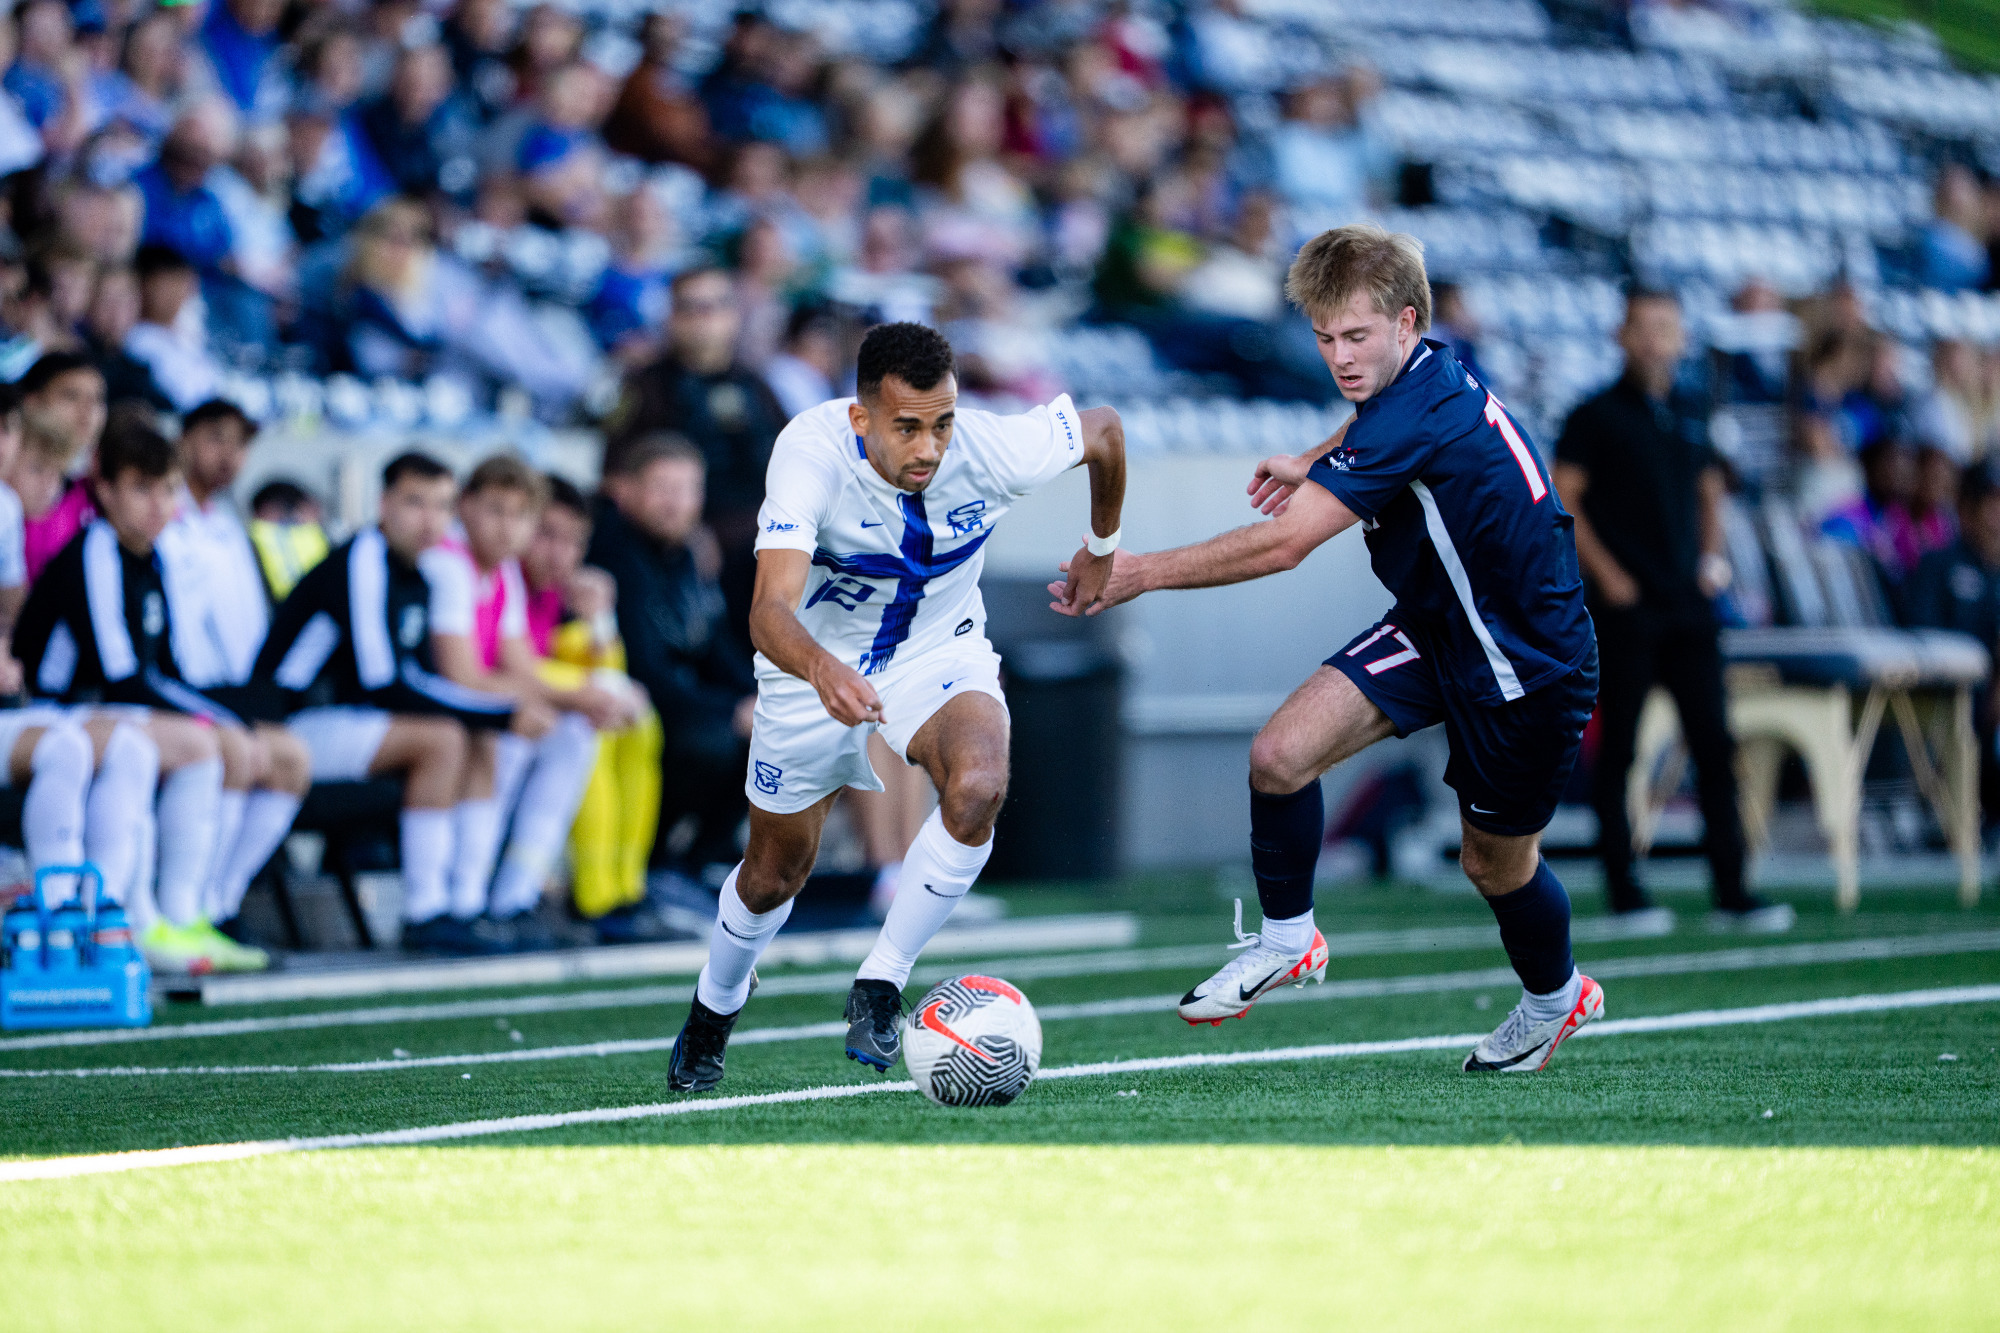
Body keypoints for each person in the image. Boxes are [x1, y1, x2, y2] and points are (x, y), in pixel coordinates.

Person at [1063, 224, 1603, 1074]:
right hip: (1439, 625)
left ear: (1407, 323)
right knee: (1279, 755)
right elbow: (1374, 418)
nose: (1340, 356)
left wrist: (1136, 570)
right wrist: (1317, 456)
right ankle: (1290, 940)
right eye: (1323, 337)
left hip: (1524, 662)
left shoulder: (1413, 406)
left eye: (1356, 336)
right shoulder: (1428, 366)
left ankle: (1556, 996)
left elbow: (1283, 547)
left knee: (1492, 863)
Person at [665, 321, 1127, 1093]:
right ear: (860, 419)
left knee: (979, 785)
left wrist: (1103, 546)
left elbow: (1106, 432)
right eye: (907, 426)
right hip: (808, 666)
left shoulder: (988, 448)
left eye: (941, 422)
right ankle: (715, 1004)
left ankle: (881, 980)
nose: (929, 447)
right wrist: (821, 669)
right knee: (775, 872)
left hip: (939, 650)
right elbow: (767, 611)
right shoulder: (809, 455)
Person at [1554, 289, 1792, 933]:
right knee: (1622, 746)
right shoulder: (1593, 416)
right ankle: (1624, 889)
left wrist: (1712, 563)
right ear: (1623, 335)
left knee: (1715, 743)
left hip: (1689, 608)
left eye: (1669, 327)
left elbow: (1710, 493)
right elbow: (1565, 500)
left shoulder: (1692, 411)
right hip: (1628, 609)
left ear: (1682, 338)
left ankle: (1733, 889)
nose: (1659, 338)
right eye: (1647, 327)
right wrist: (1611, 579)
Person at [11, 419, 281, 973]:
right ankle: (143, 917)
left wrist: (226, 718)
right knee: (197, 744)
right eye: (141, 488)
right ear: (103, 489)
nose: (158, 505)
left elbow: (167, 670)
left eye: (167, 489)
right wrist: (222, 721)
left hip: (107, 710)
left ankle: (186, 913)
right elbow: (123, 674)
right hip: (55, 710)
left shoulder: (151, 558)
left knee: (207, 740)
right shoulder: (98, 549)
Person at [252, 452, 520, 956]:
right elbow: (384, 682)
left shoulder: (415, 572)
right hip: (288, 723)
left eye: (441, 506)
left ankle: (465, 904)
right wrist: (502, 711)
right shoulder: (364, 560)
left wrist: (495, 715)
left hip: (349, 723)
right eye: (414, 503)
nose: (429, 520)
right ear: (383, 504)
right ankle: (424, 911)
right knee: (445, 738)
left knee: (476, 735)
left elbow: (411, 680)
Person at [420, 455, 631, 946]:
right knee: (517, 729)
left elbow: (518, 668)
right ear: (465, 508)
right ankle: (464, 902)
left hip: (466, 708)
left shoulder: (502, 574)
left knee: (572, 732)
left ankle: (513, 899)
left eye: (518, 516)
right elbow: (464, 673)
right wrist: (579, 695)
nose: (507, 529)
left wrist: (581, 700)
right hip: (426, 708)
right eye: (495, 511)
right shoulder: (449, 563)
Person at [157, 399, 311, 944]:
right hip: (178, 691)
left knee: (291, 760)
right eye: (215, 438)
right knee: (240, 753)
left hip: (234, 693)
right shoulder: (161, 520)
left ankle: (220, 900)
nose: (228, 456)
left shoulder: (229, 530)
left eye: (240, 444)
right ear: (184, 438)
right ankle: (186, 904)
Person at [585, 435, 755, 882]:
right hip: (628, 705)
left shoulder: (685, 554)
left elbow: (714, 645)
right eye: (662, 488)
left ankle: (699, 864)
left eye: (686, 490)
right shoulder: (613, 554)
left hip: (680, 701)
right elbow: (644, 668)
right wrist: (730, 711)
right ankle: (656, 866)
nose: (674, 503)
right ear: (627, 490)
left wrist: (761, 698)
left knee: (778, 731)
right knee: (712, 741)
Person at [519, 475, 673, 940]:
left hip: (540, 709)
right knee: (591, 725)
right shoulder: (508, 582)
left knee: (640, 727)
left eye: (572, 542)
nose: (559, 554)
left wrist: (601, 620)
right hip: (502, 715)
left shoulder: (555, 594)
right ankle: (594, 896)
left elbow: (606, 667)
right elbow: (516, 666)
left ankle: (626, 888)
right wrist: (594, 689)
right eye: (547, 535)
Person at [604, 265, 789, 634]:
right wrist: (686, 531)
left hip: (766, 536)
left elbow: (797, 466)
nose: (704, 319)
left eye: (715, 306)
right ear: (672, 318)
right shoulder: (645, 387)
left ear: (734, 316)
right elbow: (614, 479)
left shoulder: (757, 386)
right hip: (686, 541)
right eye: (691, 307)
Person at [1906, 463, 2000, 825]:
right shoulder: (1939, 565)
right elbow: (1922, 642)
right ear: (1965, 508)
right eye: (1991, 503)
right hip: (1956, 710)